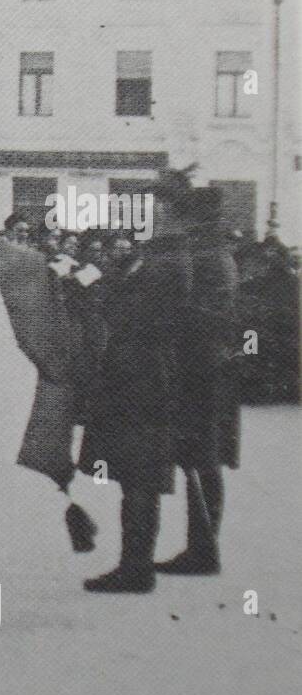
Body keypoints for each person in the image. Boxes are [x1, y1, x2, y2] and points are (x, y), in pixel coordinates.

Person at [76, 184, 193, 593]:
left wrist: (103, 289)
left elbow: (137, 316)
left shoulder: (165, 262)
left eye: (153, 208)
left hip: (143, 380)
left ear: (170, 212)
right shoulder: (162, 257)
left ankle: (136, 568)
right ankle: (135, 563)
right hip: (143, 377)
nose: (145, 216)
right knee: (137, 477)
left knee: (140, 477)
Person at [158, 184, 240, 576]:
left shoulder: (204, 255)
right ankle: (202, 547)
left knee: (202, 456)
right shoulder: (215, 251)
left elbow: (198, 312)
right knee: (202, 456)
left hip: (200, 366)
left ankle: (204, 551)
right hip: (208, 364)